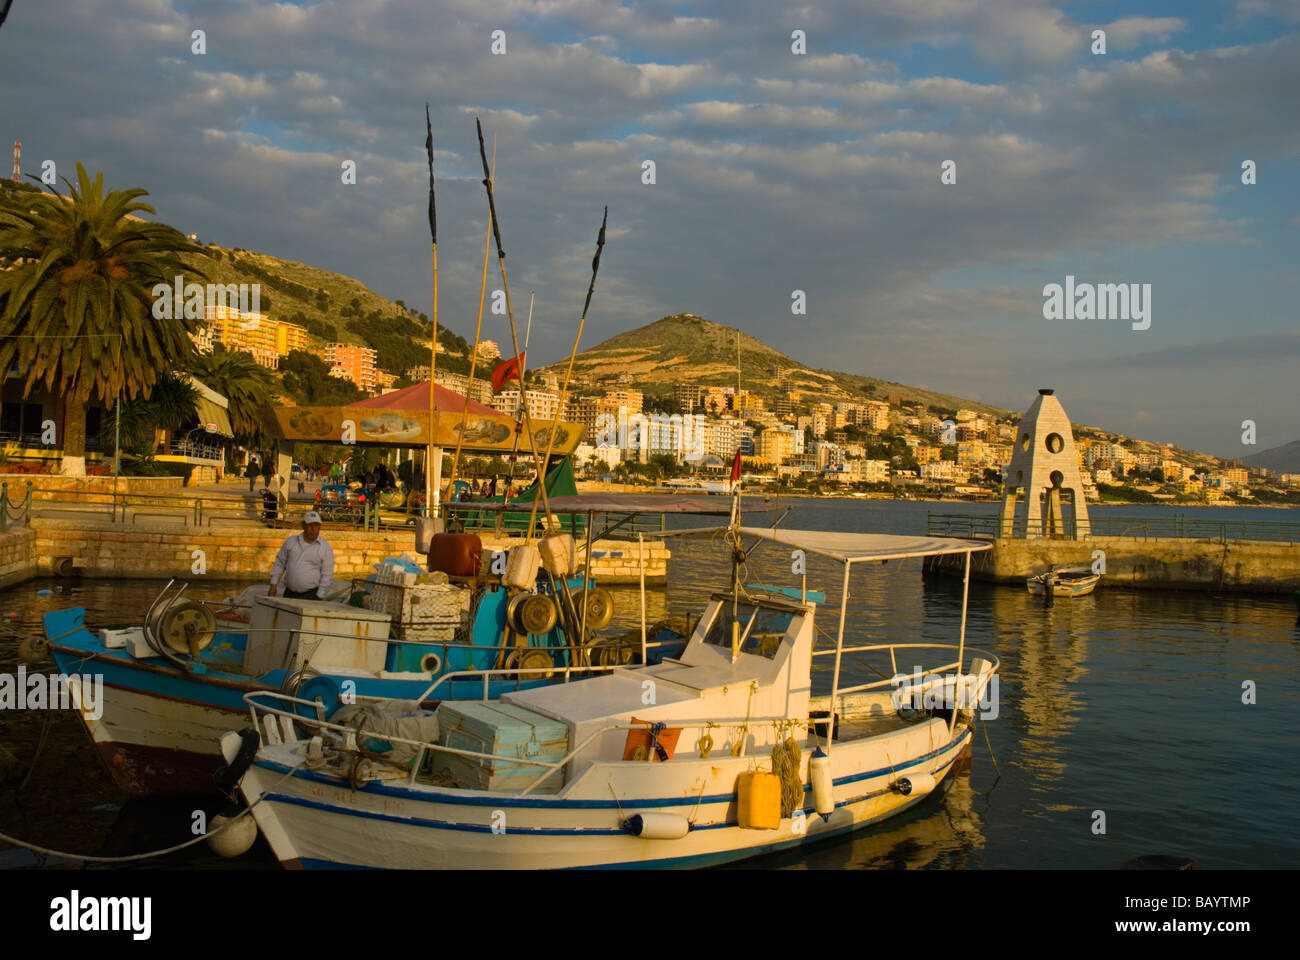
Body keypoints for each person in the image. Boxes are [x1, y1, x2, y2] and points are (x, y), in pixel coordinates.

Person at [268, 511, 335, 600]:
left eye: (316, 526)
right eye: (310, 525)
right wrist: (273, 584)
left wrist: (320, 596)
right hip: (289, 593)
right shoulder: (291, 541)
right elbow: (280, 563)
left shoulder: (325, 547)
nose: (313, 529)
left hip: (311, 595)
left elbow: (327, 574)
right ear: (303, 526)